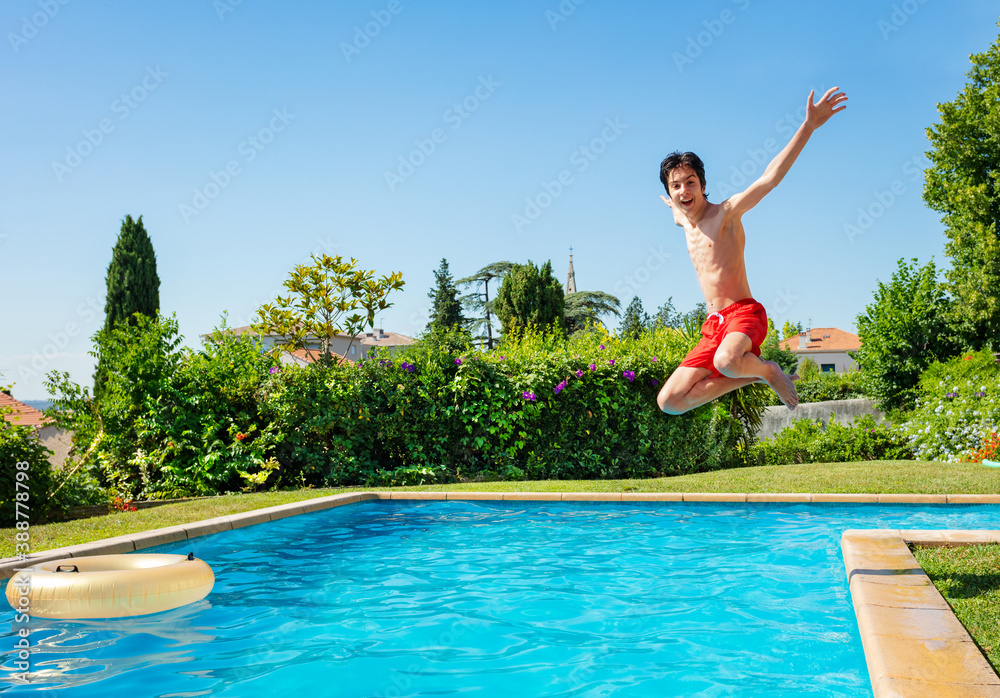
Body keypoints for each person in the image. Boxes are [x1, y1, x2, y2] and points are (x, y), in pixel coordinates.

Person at [656, 87, 847, 415]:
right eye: (676, 186)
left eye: (690, 182)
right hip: (713, 325)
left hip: (743, 313)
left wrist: (809, 126)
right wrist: (671, 204)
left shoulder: (726, 213)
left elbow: (770, 179)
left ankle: (768, 370)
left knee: (728, 361)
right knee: (669, 402)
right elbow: (676, 211)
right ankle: (756, 375)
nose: (684, 191)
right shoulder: (682, 219)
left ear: (702, 183)